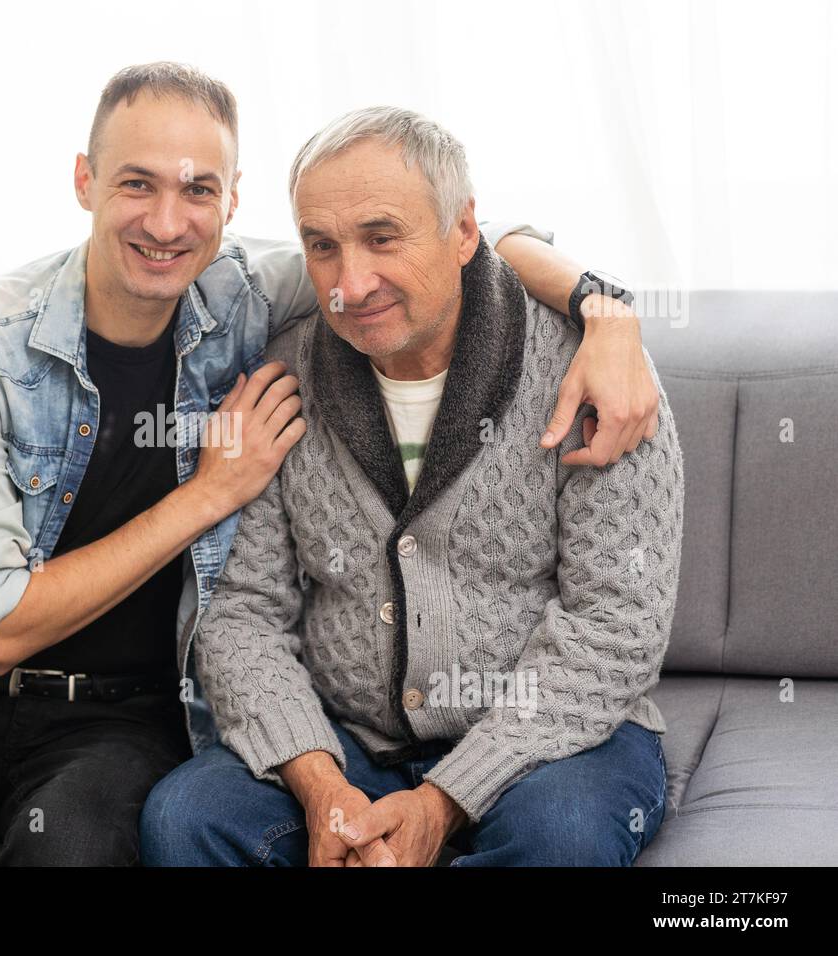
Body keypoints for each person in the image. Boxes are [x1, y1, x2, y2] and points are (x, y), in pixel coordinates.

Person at [0, 65, 659, 867]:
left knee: (90, 847)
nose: (167, 221)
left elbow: (453, 238)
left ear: (229, 203)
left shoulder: (263, 293)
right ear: (85, 180)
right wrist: (209, 492)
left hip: (127, 713)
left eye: (198, 189)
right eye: (136, 181)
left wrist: (607, 312)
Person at [140, 105, 683, 867]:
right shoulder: (280, 381)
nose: (350, 283)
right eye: (322, 247)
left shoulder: (597, 378)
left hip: (554, 745)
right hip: (350, 743)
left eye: (382, 236)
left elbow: (615, 627)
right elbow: (242, 617)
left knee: (560, 839)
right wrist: (321, 787)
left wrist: (443, 802)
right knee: (185, 819)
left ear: (465, 232)